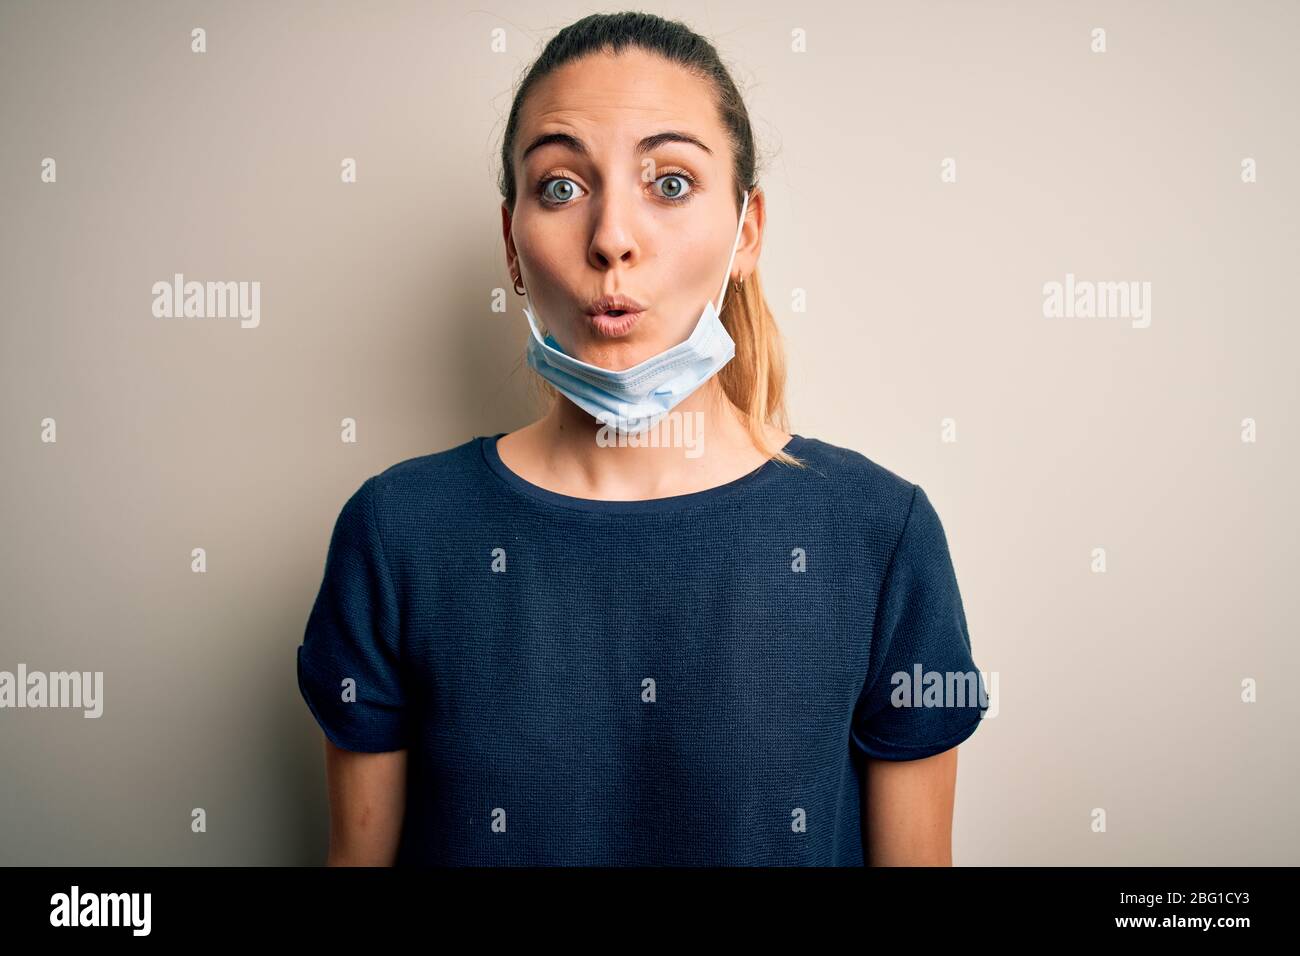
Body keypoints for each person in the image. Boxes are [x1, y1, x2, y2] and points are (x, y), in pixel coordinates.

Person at [296, 11, 987, 866]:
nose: (612, 239)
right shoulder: (397, 531)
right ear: (512, 244)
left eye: (669, 183)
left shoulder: (880, 536)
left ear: (748, 233)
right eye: (560, 186)